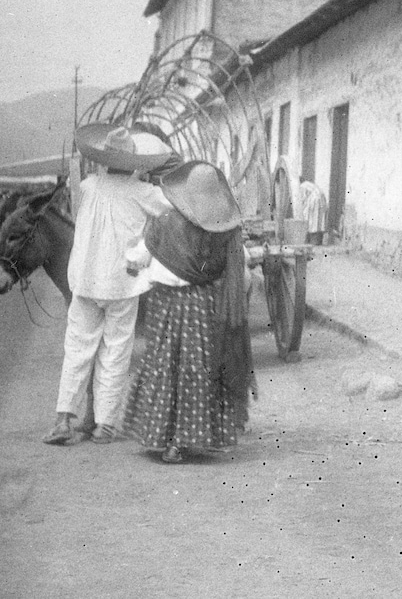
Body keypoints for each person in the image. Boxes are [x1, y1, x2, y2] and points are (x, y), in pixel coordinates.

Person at [43, 123, 173, 447]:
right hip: (122, 283)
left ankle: (63, 420)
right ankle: (105, 425)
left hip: (85, 281)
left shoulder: (87, 186)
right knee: (116, 351)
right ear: (133, 164)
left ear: (103, 161)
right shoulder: (144, 193)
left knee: (77, 350)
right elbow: (171, 212)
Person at [124, 161, 255, 464]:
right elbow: (243, 275)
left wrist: (132, 264)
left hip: (165, 306)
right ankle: (199, 437)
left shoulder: (165, 222)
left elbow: (139, 257)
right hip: (203, 308)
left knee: (163, 364)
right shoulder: (226, 233)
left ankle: (164, 437)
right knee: (199, 368)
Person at [297, 175, 328, 245]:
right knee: (320, 220)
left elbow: (301, 200)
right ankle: (318, 240)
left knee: (311, 220)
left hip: (314, 200)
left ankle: (313, 241)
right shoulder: (309, 184)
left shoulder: (301, 186)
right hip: (322, 198)